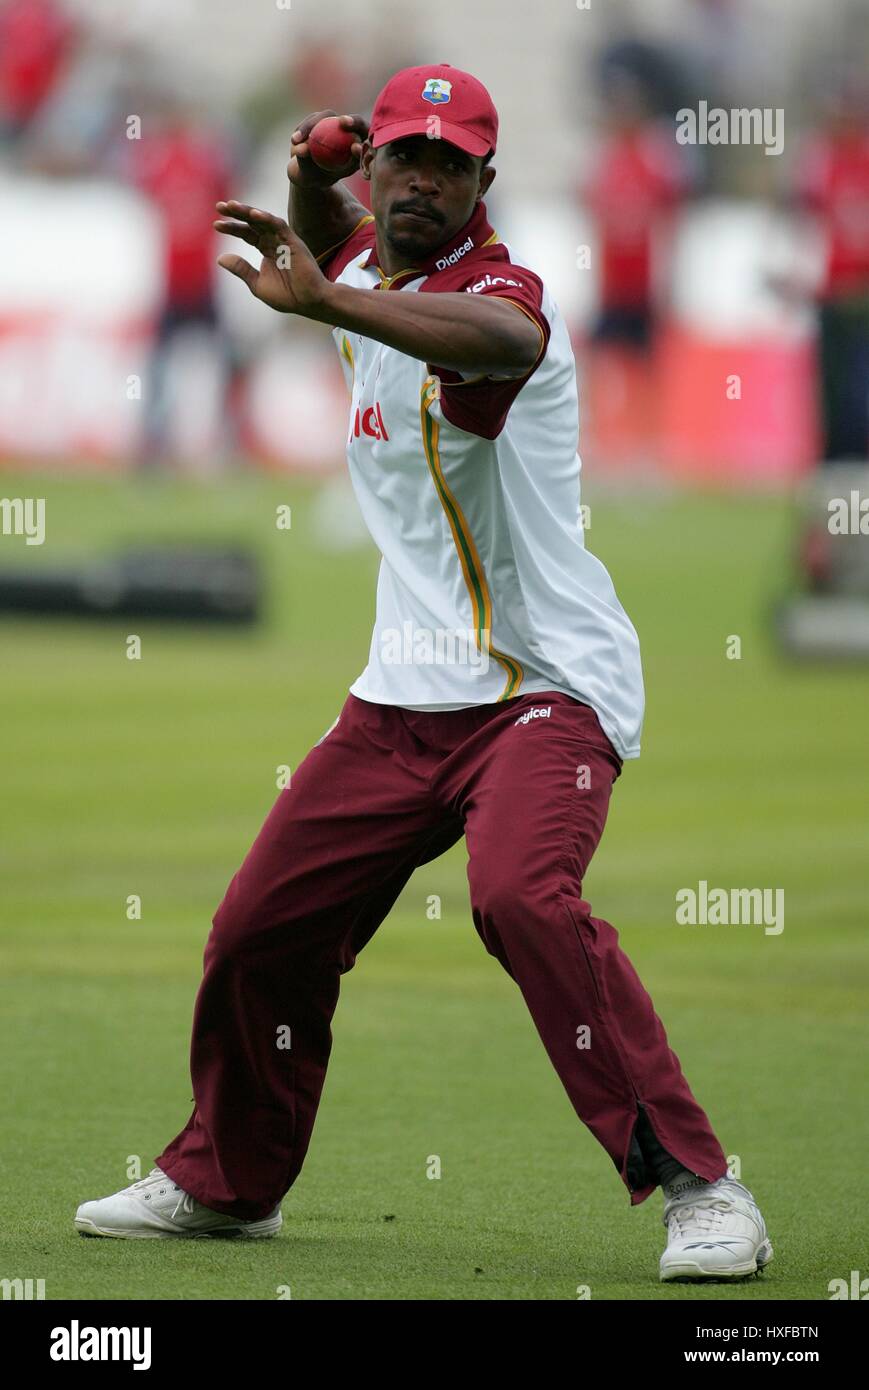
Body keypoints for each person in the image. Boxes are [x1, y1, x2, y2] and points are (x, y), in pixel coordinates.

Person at [75, 63, 772, 1283]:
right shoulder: (361, 264)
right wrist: (305, 163)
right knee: (256, 931)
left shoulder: (497, 297)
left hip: (540, 690)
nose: (421, 181)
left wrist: (328, 305)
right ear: (376, 164)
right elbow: (339, 244)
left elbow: (494, 337)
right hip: (399, 697)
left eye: (449, 166)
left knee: (518, 899)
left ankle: (701, 1190)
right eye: (402, 156)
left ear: (482, 183)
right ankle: (228, 1186)